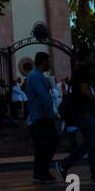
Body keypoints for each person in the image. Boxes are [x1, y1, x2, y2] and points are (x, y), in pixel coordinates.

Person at [58, 61, 95, 185]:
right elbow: (84, 90)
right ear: (88, 57)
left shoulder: (78, 72)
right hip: (84, 113)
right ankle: (64, 164)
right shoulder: (82, 71)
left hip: (87, 113)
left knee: (94, 143)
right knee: (90, 142)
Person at [25, 52, 59, 183]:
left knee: (43, 145)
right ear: (42, 62)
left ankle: (40, 172)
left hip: (41, 116)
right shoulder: (35, 76)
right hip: (41, 116)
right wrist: (52, 112)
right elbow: (43, 96)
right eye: (48, 61)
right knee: (48, 143)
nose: (49, 64)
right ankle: (41, 172)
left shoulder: (37, 76)